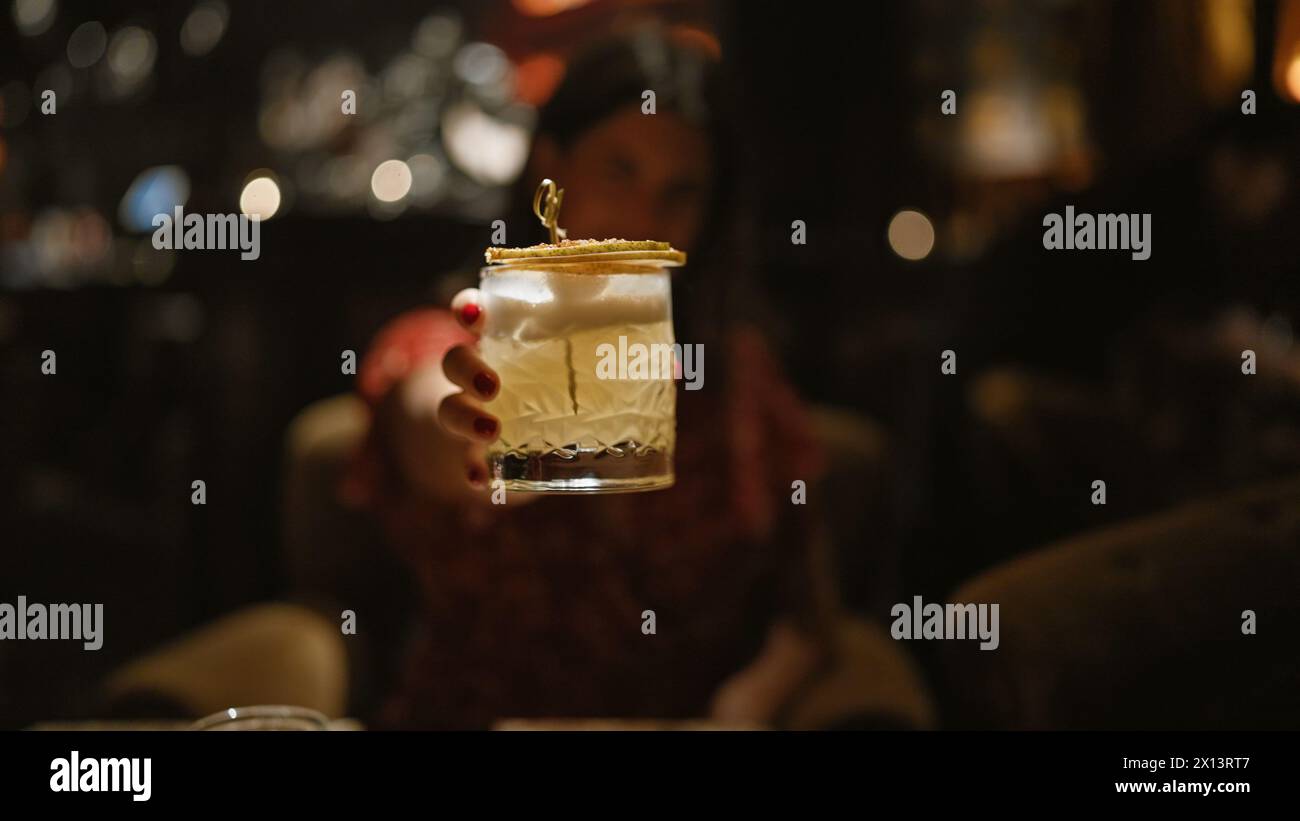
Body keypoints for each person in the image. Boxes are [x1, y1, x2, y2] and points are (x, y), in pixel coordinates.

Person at [344, 30, 838, 729]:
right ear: (552, 170)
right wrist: (481, 423)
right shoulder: (447, 339)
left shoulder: (739, 374)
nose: (643, 221)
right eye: (619, 171)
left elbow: (810, 612)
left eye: (680, 192)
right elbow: (439, 430)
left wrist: (744, 706)